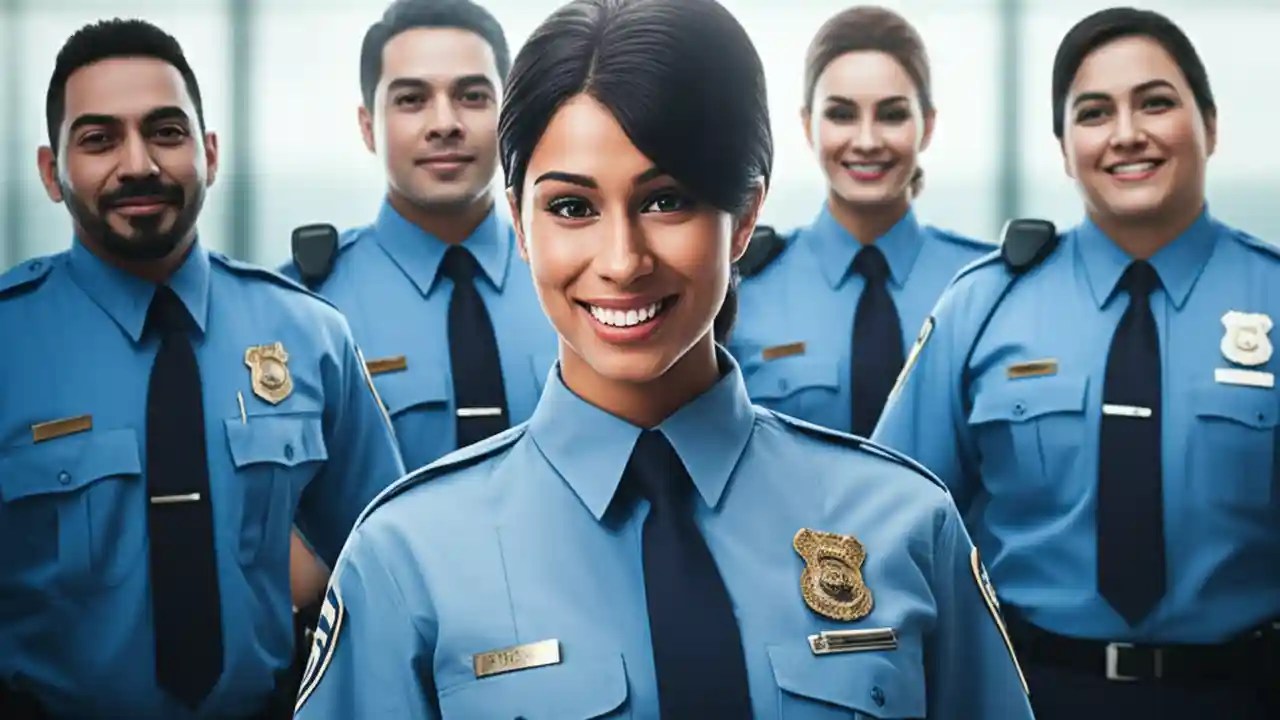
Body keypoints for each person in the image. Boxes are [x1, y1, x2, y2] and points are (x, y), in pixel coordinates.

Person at [292, 1, 1034, 717]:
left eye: (666, 200)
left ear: (744, 216)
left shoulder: (905, 524)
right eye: (572, 208)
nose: (622, 262)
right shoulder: (404, 557)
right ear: (519, 221)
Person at [873, 7, 1279, 719]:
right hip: (1027, 693)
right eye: (1093, 113)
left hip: (1244, 692)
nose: (1126, 133)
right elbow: (887, 517)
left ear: (1210, 125)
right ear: (1065, 149)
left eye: (1155, 102)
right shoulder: (984, 305)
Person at [0, 19, 405, 719]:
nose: (137, 164)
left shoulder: (309, 334)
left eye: (166, 132)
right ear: (49, 172)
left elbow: (388, 561)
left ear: (210, 153)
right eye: (98, 139)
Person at [282, 0, 557, 472]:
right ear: (368, 127)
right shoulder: (307, 306)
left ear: (509, 117)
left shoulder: (575, 276)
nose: (445, 124)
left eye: (473, 96)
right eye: (411, 99)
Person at [727, 5, 992, 437]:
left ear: (927, 125)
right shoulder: (745, 291)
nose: (867, 141)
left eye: (892, 115)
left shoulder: (983, 286)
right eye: (842, 114)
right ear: (808, 126)